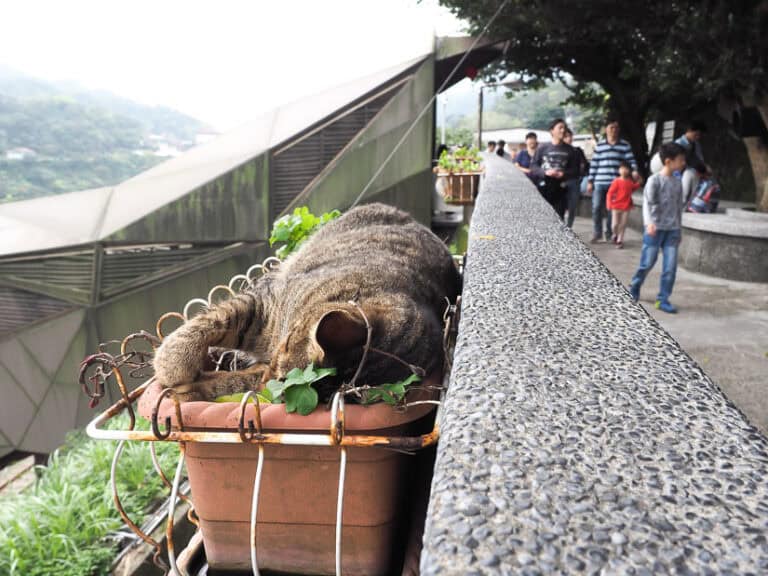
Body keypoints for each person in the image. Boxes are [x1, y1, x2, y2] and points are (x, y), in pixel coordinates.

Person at [628, 142, 686, 313]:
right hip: (655, 229)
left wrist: (679, 229)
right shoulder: (654, 181)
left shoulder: (677, 182)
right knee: (647, 263)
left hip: (672, 231)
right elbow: (647, 204)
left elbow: (678, 207)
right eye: (681, 160)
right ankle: (635, 285)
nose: (683, 163)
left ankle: (663, 299)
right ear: (668, 161)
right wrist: (649, 223)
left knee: (670, 267)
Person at [587, 117, 640, 243]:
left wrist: (634, 170)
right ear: (606, 129)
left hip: (615, 182)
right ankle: (597, 233)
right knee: (596, 207)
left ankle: (611, 234)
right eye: (611, 127)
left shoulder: (624, 145)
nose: (614, 130)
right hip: (599, 181)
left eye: (616, 128)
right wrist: (590, 181)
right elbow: (594, 164)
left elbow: (631, 160)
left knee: (613, 210)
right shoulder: (600, 146)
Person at [530, 119, 578, 220]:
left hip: (561, 188)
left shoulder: (570, 150)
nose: (563, 130)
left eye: (564, 128)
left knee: (559, 219)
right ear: (552, 131)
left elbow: (575, 170)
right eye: (560, 128)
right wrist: (545, 172)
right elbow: (533, 166)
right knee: (542, 217)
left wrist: (563, 173)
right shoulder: (542, 148)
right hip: (544, 186)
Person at [606, 161, 641, 248]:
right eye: (622, 168)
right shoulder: (616, 181)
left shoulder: (629, 182)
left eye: (626, 169)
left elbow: (635, 186)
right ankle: (615, 234)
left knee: (623, 223)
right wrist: (609, 204)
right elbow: (610, 193)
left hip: (626, 205)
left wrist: (639, 178)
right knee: (614, 224)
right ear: (619, 170)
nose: (624, 171)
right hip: (616, 205)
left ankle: (620, 240)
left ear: (629, 171)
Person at [674, 121, 710, 206]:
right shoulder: (678, 144)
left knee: (695, 174)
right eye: (696, 134)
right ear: (689, 130)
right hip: (679, 173)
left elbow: (700, 159)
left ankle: (691, 203)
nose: (697, 137)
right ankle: (681, 202)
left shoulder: (696, 144)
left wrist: (704, 168)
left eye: (699, 135)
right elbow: (679, 163)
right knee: (689, 174)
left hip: (694, 171)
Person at [563, 128, 589, 228]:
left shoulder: (577, 150)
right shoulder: (558, 151)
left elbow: (585, 165)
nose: (569, 139)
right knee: (561, 206)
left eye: (570, 136)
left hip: (575, 181)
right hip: (561, 182)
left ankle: (569, 227)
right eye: (566, 137)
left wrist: (582, 173)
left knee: (572, 206)